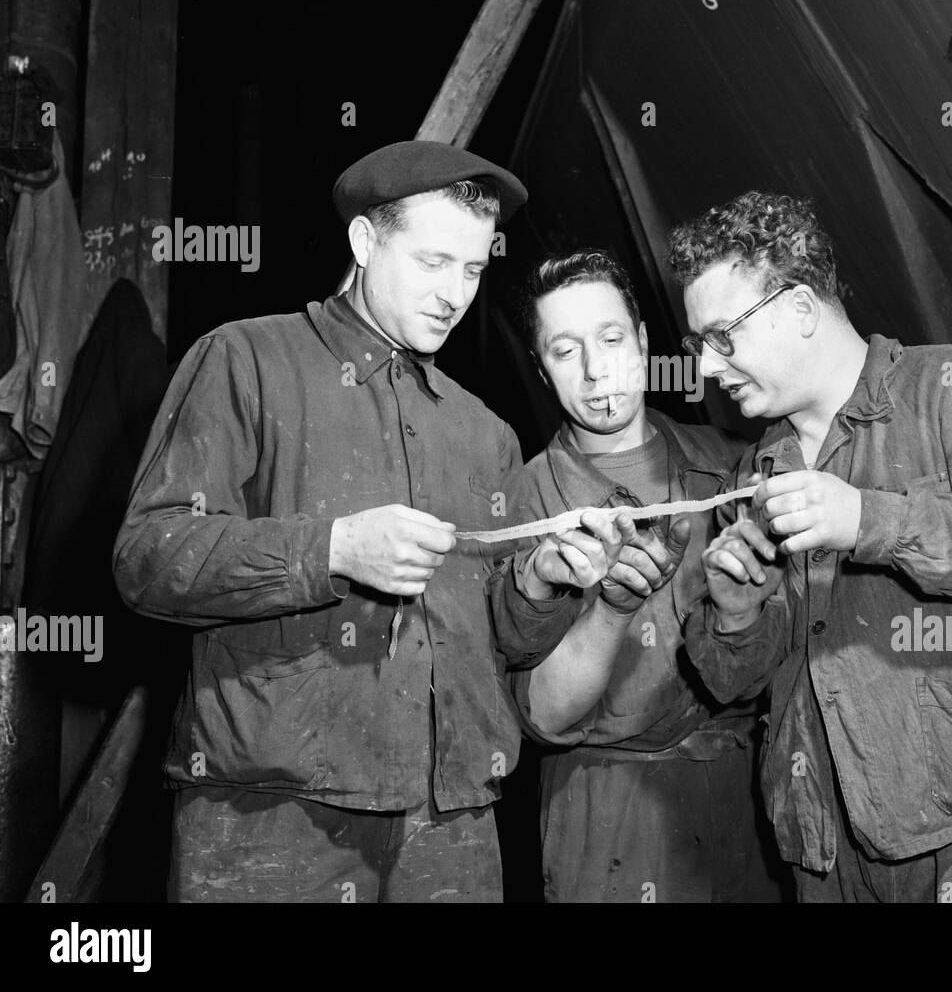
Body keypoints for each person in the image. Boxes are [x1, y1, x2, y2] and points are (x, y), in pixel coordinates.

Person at [113, 141, 636, 903]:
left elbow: (504, 647)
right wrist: (332, 550)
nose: (454, 294)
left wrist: (540, 583)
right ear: (364, 241)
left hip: (452, 831)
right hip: (273, 822)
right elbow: (147, 556)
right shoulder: (245, 360)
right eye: (431, 262)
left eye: (472, 270)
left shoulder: (485, 433)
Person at [669, 190, 952, 902]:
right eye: (696, 346)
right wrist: (738, 614)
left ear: (801, 309)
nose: (707, 369)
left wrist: (872, 519)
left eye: (721, 337)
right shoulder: (760, 470)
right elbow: (732, 682)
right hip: (831, 848)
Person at [505, 249, 785, 902]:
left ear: (642, 340)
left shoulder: (730, 467)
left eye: (609, 339)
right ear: (542, 372)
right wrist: (612, 606)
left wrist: (740, 615)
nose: (597, 370)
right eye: (564, 350)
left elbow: (775, 655)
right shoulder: (522, 505)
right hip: (608, 815)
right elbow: (542, 718)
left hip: (749, 799)